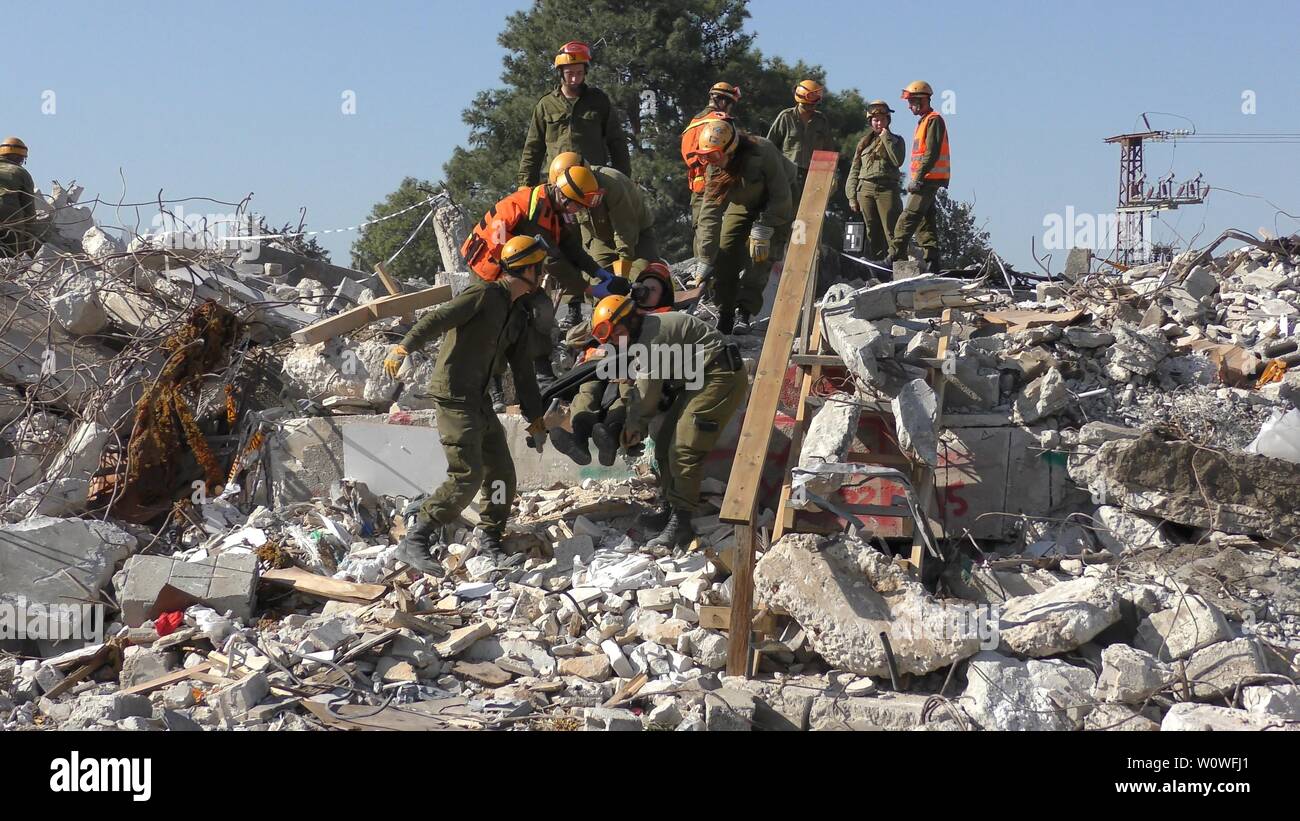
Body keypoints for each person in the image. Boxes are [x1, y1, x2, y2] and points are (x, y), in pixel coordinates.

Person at [383, 235, 552, 573]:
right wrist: (405, 346)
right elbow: (440, 318)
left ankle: (491, 539)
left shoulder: (519, 315)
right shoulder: (485, 294)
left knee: (502, 474)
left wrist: (536, 419)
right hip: (453, 396)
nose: (545, 274)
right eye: (541, 267)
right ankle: (415, 540)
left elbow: (523, 373)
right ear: (529, 269)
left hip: (479, 400)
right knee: (467, 474)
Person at [594, 295, 748, 549]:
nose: (615, 342)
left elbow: (646, 394)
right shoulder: (643, 335)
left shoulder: (652, 337)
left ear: (631, 319)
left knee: (684, 448)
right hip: (697, 379)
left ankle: (681, 521)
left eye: (616, 333)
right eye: (610, 339)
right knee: (664, 444)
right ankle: (669, 507)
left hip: (721, 375)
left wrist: (633, 429)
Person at [460, 166, 630, 389]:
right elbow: (553, 261)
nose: (579, 210)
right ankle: (492, 388)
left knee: (542, 310)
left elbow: (569, 245)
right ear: (563, 194)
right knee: (492, 325)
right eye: (577, 204)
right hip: (489, 269)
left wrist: (598, 271)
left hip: (518, 270)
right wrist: (589, 289)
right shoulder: (535, 211)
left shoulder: (555, 205)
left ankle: (543, 376)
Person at [551, 260, 676, 467]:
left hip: (633, 367)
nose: (645, 293)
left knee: (625, 392)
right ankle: (578, 436)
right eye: (643, 287)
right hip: (600, 363)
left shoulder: (666, 317)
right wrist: (601, 320)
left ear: (663, 294)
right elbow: (573, 338)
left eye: (653, 290)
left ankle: (610, 433)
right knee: (587, 388)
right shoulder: (618, 308)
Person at [691, 119, 794, 335]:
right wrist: (705, 257)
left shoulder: (763, 151)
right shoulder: (714, 167)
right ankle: (725, 313)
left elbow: (782, 196)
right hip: (744, 205)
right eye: (705, 155)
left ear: (731, 147)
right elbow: (710, 213)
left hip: (777, 205)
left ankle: (744, 312)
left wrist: (764, 228)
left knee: (759, 255)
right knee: (725, 252)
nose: (710, 160)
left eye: (714, 155)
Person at [547, 152, 657, 330]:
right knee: (599, 288)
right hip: (599, 238)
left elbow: (625, 231)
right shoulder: (562, 197)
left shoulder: (613, 184)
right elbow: (571, 238)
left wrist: (621, 275)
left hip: (636, 235)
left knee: (645, 281)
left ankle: (649, 326)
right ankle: (605, 332)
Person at [517, 40, 631, 189]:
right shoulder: (546, 105)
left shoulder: (599, 101)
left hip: (593, 181)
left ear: (585, 72)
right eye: (570, 73)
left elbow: (617, 143)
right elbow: (533, 148)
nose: (574, 79)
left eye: (579, 73)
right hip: (557, 184)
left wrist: (623, 180)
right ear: (561, 73)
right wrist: (525, 186)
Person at [887, 81, 951, 273]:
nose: (909, 106)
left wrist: (918, 178)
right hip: (927, 178)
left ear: (922, 100)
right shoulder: (924, 121)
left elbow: (931, 153)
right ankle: (932, 263)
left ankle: (893, 256)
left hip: (928, 179)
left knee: (908, 217)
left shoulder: (933, 120)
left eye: (911, 101)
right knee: (925, 221)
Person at [845, 101, 907, 264]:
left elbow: (897, 160)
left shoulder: (896, 140)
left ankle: (897, 263)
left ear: (888, 120)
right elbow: (854, 170)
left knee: (892, 229)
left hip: (887, 189)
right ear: (870, 122)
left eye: (881, 119)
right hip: (865, 189)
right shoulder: (864, 143)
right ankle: (877, 265)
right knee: (872, 231)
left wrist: (886, 137)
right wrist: (851, 196)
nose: (878, 123)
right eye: (875, 120)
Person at [681, 82, 741, 228]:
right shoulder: (722, 121)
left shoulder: (693, 123)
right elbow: (734, 153)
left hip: (697, 186)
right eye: (730, 104)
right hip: (718, 185)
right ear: (722, 101)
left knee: (700, 233)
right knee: (721, 234)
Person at [767, 80, 836, 204]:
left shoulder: (821, 120)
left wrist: (831, 176)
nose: (813, 106)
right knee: (785, 211)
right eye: (811, 102)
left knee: (807, 217)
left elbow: (828, 151)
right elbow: (770, 146)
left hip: (813, 175)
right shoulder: (786, 117)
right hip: (788, 174)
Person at [0, 137, 38, 259]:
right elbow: (29, 210)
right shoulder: (21, 172)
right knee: (10, 256)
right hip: (9, 217)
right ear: (20, 158)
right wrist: (28, 239)